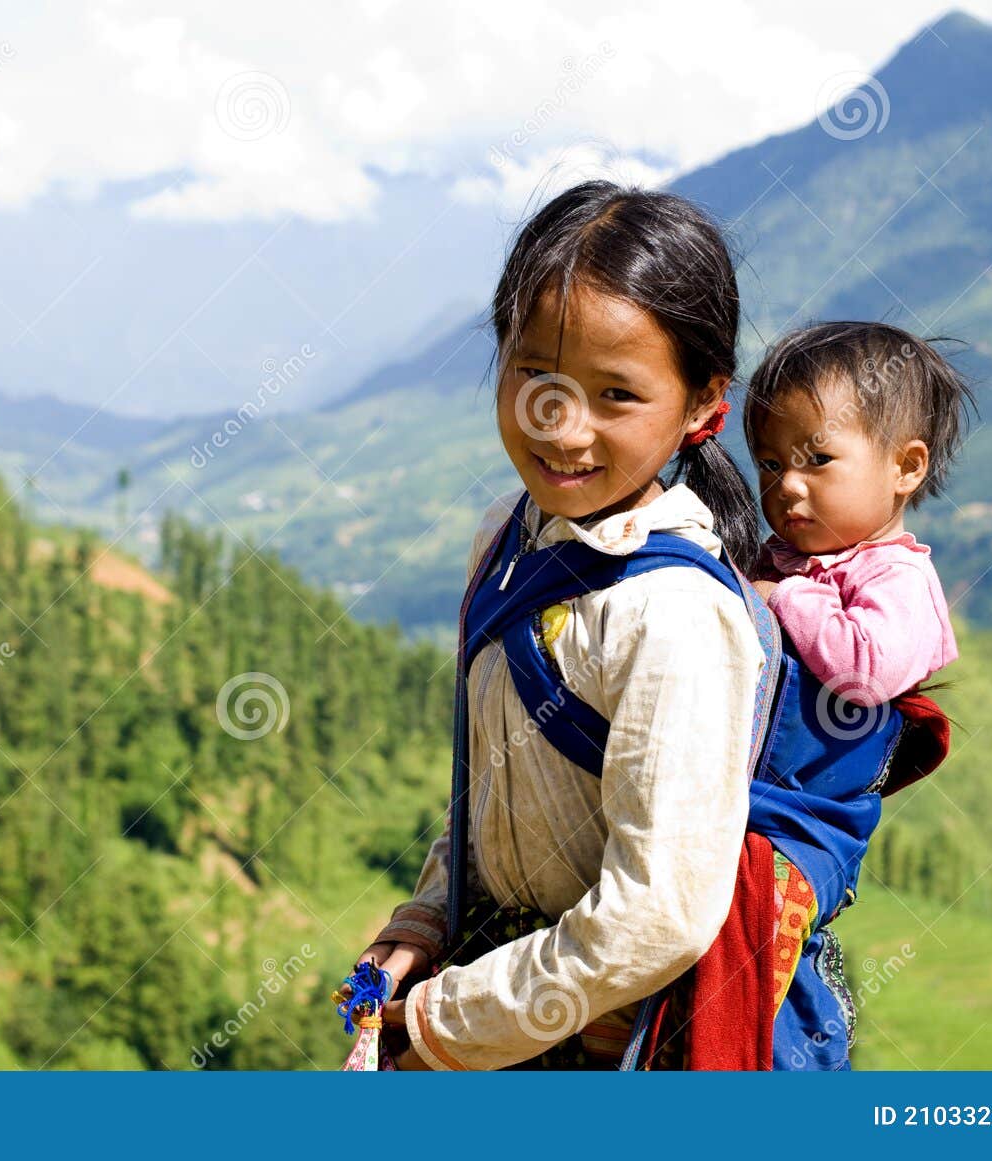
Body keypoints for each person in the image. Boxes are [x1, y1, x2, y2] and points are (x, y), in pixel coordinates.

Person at [342, 179, 768, 1070]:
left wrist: (441, 1025)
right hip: (507, 998)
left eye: (617, 395)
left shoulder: (675, 615)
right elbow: (498, 791)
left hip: (596, 1042)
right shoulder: (504, 541)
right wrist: (428, 915)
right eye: (537, 374)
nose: (563, 427)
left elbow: (659, 915)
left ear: (702, 404)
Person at [742, 322, 976, 707]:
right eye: (770, 463)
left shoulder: (898, 579)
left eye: (819, 459)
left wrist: (785, 594)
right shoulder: (779, 555)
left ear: (905, 467)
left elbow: (866, 676)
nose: (787, 485)